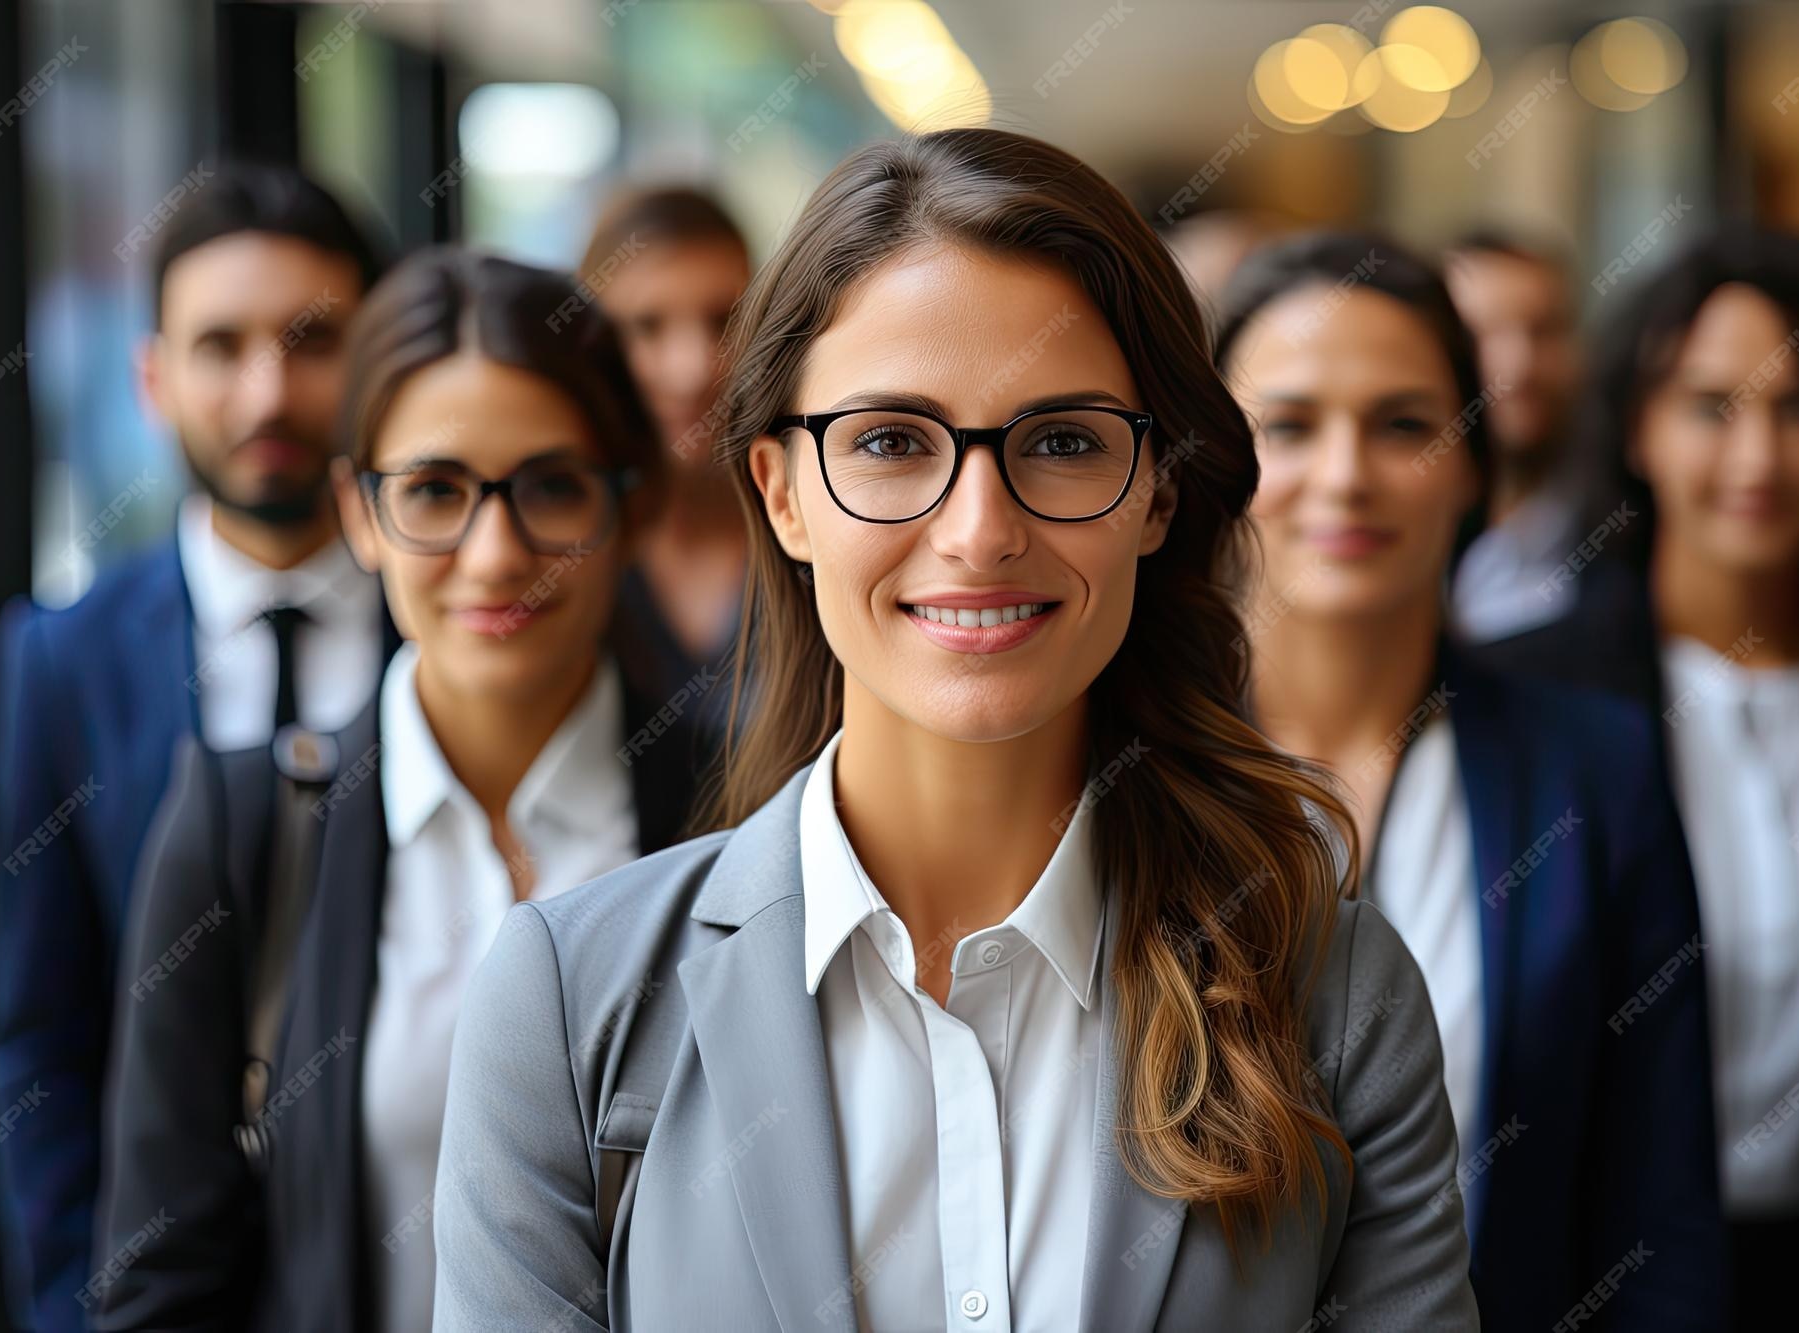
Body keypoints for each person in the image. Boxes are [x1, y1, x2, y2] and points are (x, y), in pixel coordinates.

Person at [430, 128, 1478, 1331]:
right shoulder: (569, 1004)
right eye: (888, 442)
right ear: (779, 491)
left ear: (1157, 492)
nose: (979, 529)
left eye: (1064, 441)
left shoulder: (1335, 996)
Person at [95, 248, 701, 1332]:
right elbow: (160, 1286)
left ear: (631, 505)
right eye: (434, 491)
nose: (494, 552)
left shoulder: (746, 802)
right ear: (360, 512)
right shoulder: (244, 829)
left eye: (551, 485)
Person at [1215, 231, 1724, 1331]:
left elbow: (1659, 1205)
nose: (1345, 474)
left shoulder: (1598, 769)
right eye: (1290, 426)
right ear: (1208, 464)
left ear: (1470, 463)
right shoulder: (1121, 769)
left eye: (1403, 424)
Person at [1479, 229, 1799, 1325]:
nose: (1755, 458)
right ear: (1637, 426)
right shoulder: (1523, 697)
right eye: (1710, 406)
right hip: (1596, 1276)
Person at [0, 163, 389, 1332]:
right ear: (153, 378)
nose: (269, 390)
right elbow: (38, 1032)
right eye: (221, 346)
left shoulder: (465, 626)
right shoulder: (63, 661)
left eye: (313, 341)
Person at [584, 185, 752, 688]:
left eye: (724, 320)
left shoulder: (812, 528)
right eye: (647, 326)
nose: (692, 369)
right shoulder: (558, 544)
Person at [1441, 229, 1587, 643]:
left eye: (1544, 331)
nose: (1519, 364)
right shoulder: (1398, 522)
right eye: (1481, 334)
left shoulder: (1620, 531)